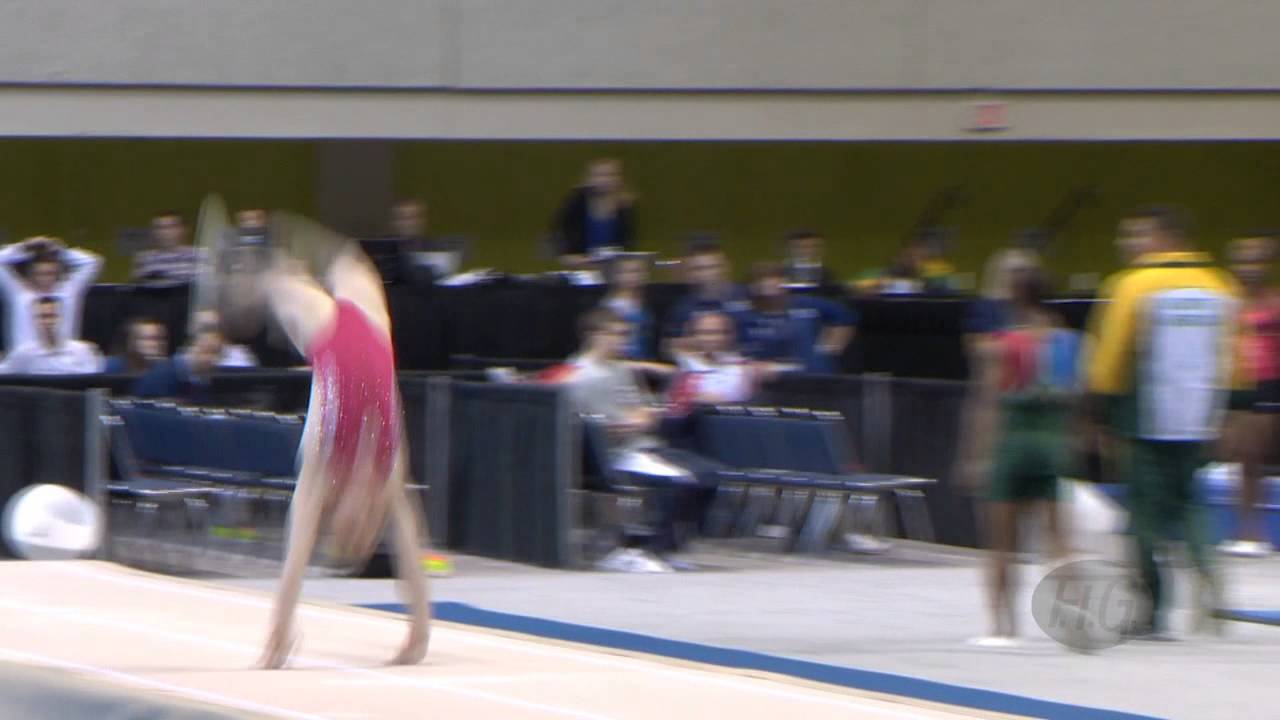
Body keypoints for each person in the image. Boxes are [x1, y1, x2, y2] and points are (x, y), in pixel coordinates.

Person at [209, 210, 430, 669]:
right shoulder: (389, 472)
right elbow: (411, 547)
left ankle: (252, 257)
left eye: (345, 532)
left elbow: (296, 551)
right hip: (371, 331)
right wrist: (421, 628)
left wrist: (281, 625)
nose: (358, 525)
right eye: (363, 532)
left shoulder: (321, 467)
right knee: (350, 260)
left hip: (331, 341)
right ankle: (273, 236)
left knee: (279, 283)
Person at [1086, 205, 1241, 639]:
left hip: (1143, 414)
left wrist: (1098, 411)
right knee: (1190, 500)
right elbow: (1235, 357)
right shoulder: (1221, 286)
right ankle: (1207, 569)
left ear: (1164, 238)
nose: (1126, 244)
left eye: (1136, 235)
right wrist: (1230, 413)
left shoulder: (1132, 285)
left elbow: (1109, 360)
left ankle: (1150, 609)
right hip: (1199, 416)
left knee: (1143, 514)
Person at [968, 268, 1079, 647]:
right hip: (1053, 442)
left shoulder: (1001, 344)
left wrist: (977, 456)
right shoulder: (1069, 343)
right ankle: (1072, 622)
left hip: (1014, 443)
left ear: (1014, 297)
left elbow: (988, 404)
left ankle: (1002, 628)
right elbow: (1079, 399)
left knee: (1002, 543)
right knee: (1059, 540)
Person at [1219, 235, 1279, 557]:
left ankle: (1254, 532)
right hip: (1236, 384)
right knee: (1240, 457)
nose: (1250, 267)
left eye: (1256, 260)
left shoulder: (1275, 302)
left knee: (1256, 458)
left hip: (1268, 382)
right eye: (1243, 260)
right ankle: (1244, 530)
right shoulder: (1225, 302)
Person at [740, 261, 855, 374]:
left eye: (775, 279)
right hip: (766, 375)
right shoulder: (742, 313)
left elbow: (846, 318)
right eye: (763, 281)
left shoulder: (809, 304)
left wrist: (829, 350)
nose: (770, 285)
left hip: (815, 374)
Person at [0, 236, 102, 352]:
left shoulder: (69, 291)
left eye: (50, 273)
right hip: (23, 360)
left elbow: (92, 262)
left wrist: (58, 251)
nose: (45, 279)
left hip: (64, 360)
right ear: (30, 274)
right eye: (39, 274)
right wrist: (24, 248)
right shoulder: (19, 293)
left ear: (57, 274)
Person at [550, 158, 635, 270]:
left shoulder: (625, 207)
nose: (605, 180)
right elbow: (558, 232)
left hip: (612, 267)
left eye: (611, 175)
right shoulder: (576, 202)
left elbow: (629, 242)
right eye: (600, 175)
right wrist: (567, 256)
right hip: (579, 264)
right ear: (590, 178)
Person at [0, 296, 103, 375]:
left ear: (62, 318)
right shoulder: (24, 354)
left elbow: (94, 384)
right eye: (43, 317)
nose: (48, 322)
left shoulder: (82, 351)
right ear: (35, 321)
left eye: (52, 316)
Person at [131, 324, 226, 404]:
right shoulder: (162, 376)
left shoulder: (201, 380)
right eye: (208, 351)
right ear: (191, 348)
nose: (213, 360)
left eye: (218, 353)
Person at [600, 253, 655, 360]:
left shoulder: (645, 303)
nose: (635, 277)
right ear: (615, 275)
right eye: (628, 272)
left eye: (639, 271)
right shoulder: (610, 307)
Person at [132, 211, 199, 286]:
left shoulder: (200, 255)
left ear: (183, 229)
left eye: (171, 227)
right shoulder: (144, 259)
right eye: (159, 228)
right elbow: (139, 287)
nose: (165, 232)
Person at [103, 317, 168, 374]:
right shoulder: (110, 367)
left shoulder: (169, 371)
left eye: (161, 338)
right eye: (147, 338)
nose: (155, 344)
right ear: (130, 343)